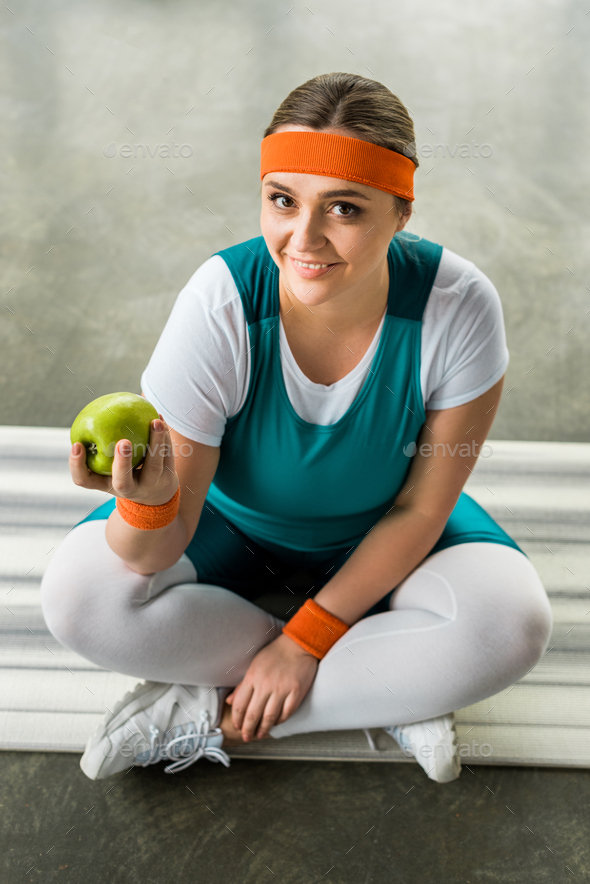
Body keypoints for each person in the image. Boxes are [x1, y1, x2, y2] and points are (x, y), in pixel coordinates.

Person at [40, 72, 553, 784]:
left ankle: (205, 710)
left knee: (513, 625)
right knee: (79, 597)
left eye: (344, 208)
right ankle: (393, 681)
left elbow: (422, 507)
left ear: (401, 210)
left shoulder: (457, 303)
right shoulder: (221, 300)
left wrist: (307, 642)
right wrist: (145, 501)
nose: (303, 238)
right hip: (228, 520)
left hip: (388, 527)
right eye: (282, 201)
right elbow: (152, 553)